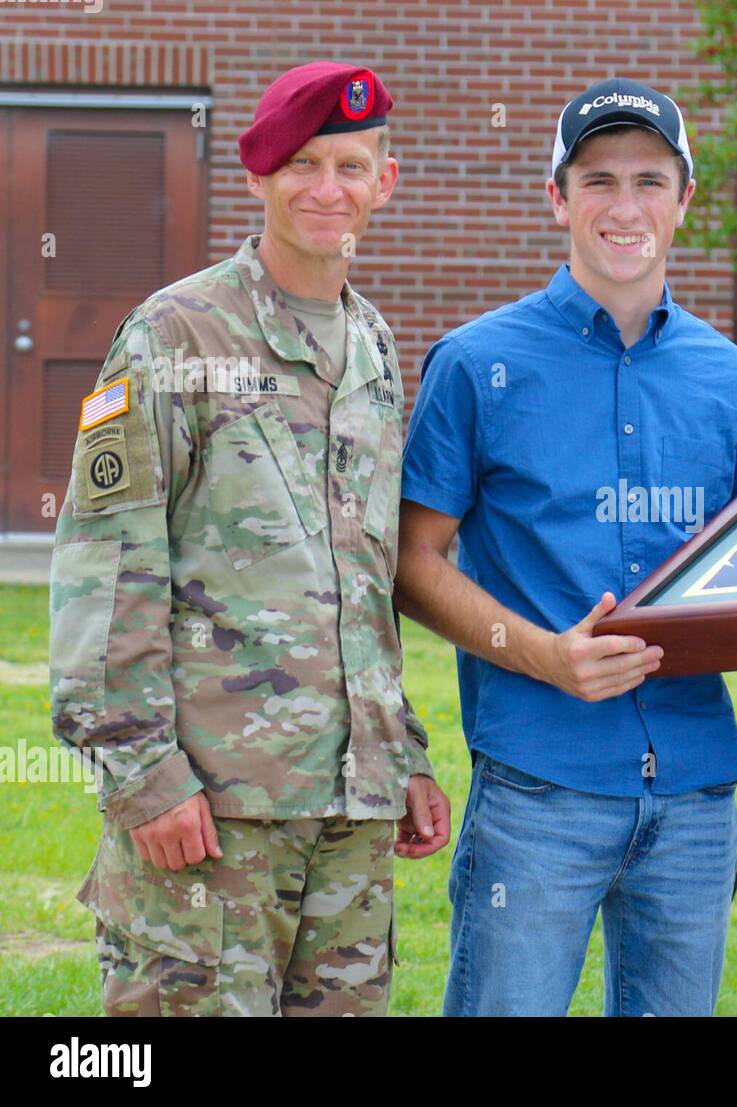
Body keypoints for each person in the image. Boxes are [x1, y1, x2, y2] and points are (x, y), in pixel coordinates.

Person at [396, 77, 737, 1017]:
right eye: (598, 180)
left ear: (687, 197)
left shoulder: (735, 380)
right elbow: (412, 564)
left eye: (649, 179)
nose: (624, 206)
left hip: (694, 789)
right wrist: (545, 657)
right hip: (536, 788)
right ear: (557, 197)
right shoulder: (476, 364)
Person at [49, 61, 450, 1017]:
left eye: (352, 166)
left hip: (351, 817)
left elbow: (364, 571)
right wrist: (143, 773)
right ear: (259, 175)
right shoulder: (175, 334)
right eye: (303, 164)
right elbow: (107, 567)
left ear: (384, 183)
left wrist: (406, 751)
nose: (328, 189)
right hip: (211, 811)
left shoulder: (375, 346)